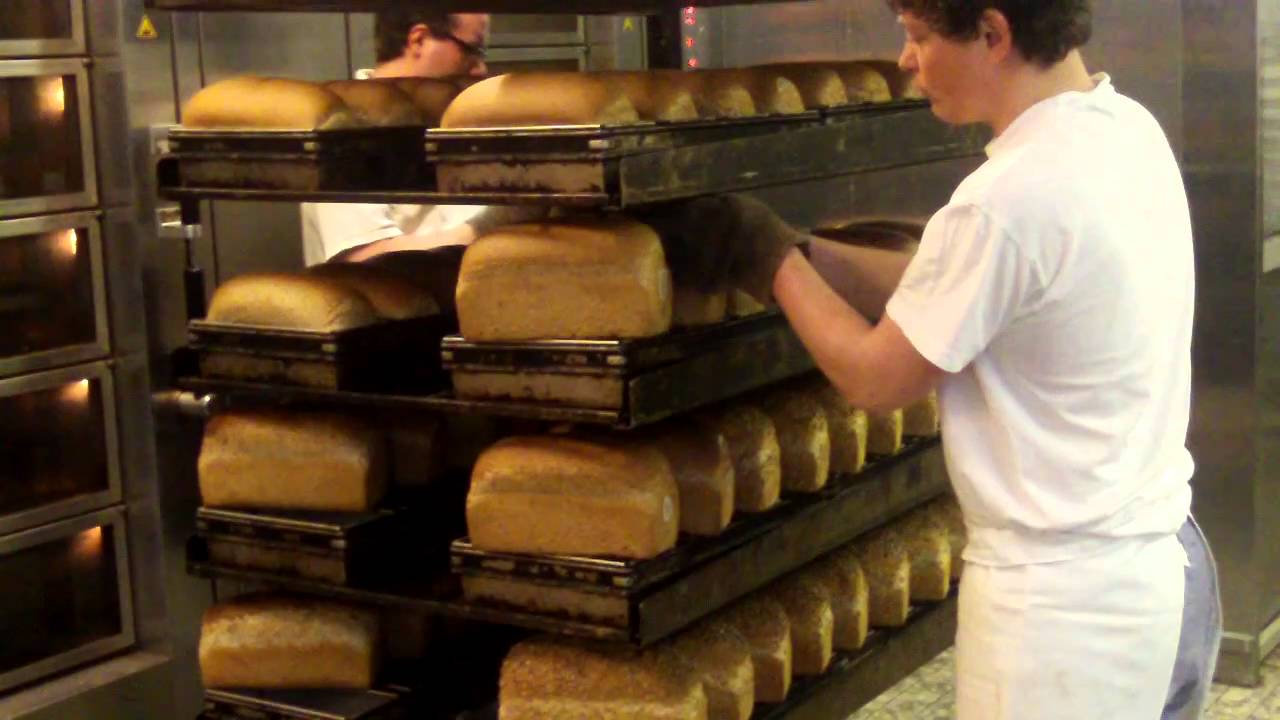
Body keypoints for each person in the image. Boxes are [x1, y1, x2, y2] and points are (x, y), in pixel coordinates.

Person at [649, 1, 1220, 718]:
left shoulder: (1008, 198)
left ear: (993, 33)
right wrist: (807, 250)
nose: (906, 60)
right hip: (1162, 570)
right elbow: (959, 298)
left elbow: (876, 376)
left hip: (1064, 622)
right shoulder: (1124, 129)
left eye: (919, 35)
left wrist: (765, 260)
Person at [301, 11, 525, 266]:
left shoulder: (454, 117)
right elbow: (367, 261)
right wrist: (488, 226)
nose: (480, 69)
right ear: (419, 40)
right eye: (471, 50)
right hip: (397, 303)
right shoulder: (346, 128)